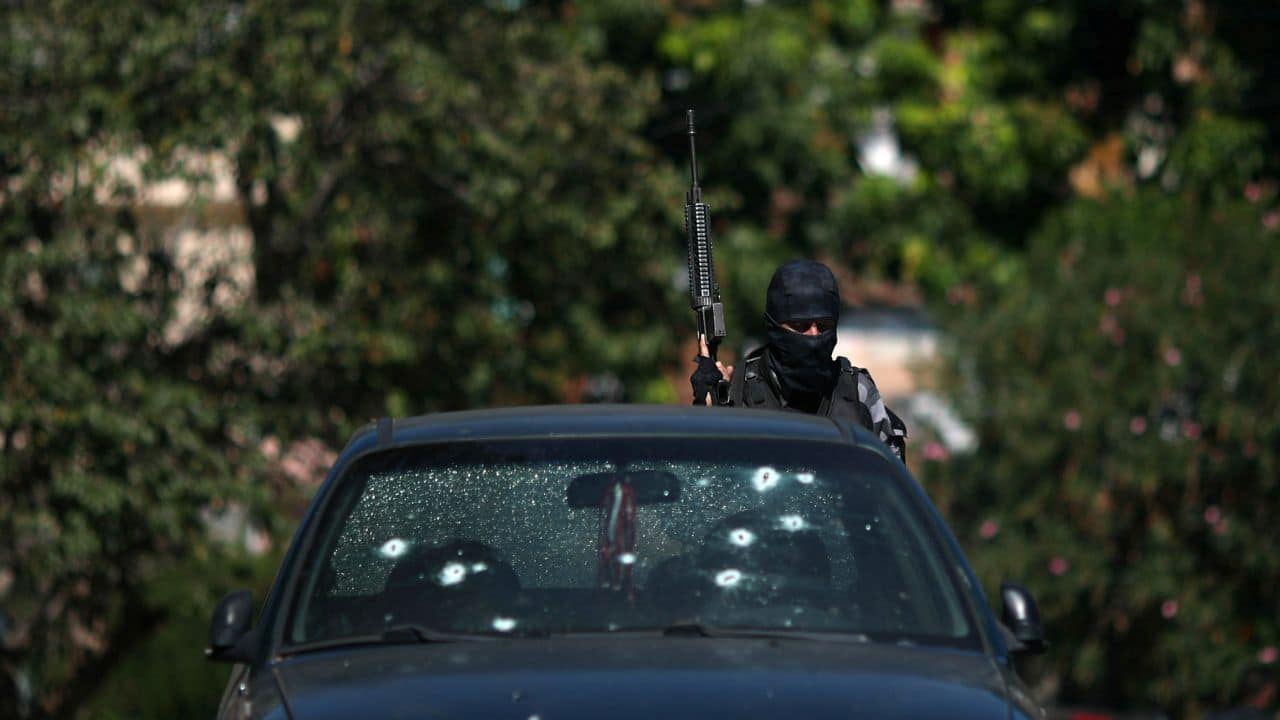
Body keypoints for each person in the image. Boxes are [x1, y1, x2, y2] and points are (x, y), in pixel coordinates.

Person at [690, 259, 907, 461]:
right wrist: (706, 412)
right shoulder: (737, 394)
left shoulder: (857, 393)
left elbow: (890, 487)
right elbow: (708, 481)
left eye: (823, 326)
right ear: (774, 327)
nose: (813, 336)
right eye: (800, 327)